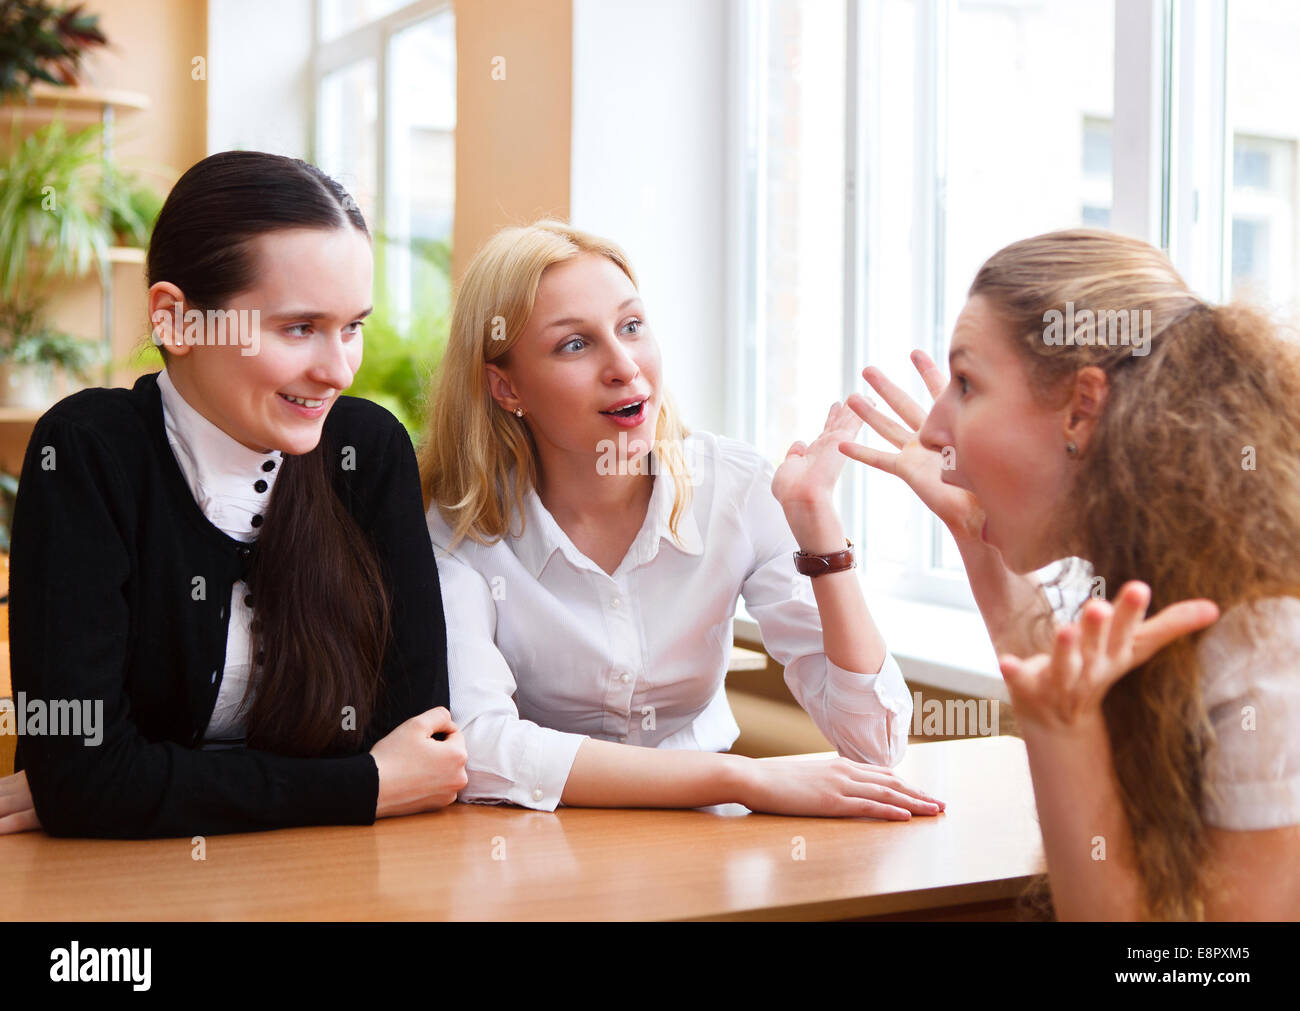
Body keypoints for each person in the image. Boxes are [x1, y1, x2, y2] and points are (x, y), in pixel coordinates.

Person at [0, 151, 466, 839]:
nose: (338, 369)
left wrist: (145, 782)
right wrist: (362, 782)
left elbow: (423, 750)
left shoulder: (366, 453)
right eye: (299, 327)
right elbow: (84, 781)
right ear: (177, 319)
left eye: (353, 326)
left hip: (344, 883)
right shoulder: (86, 456)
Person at [840, 228, 1300, 919]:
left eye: (966, 382)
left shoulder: (1267, 650)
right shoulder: (1164, 573)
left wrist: (1066, 746)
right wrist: (975, 531)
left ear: (1083, 409)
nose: (934, 432)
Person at [420, 219, 943, 819]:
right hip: (534, 852)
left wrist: (818, 526)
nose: (625, 366)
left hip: (706, 849)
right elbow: (478, 748)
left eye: (631, 326)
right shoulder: (458, 528)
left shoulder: (735, 488)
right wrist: (732, 778)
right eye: (575, 344)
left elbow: (874, 743)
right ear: (506, 387)